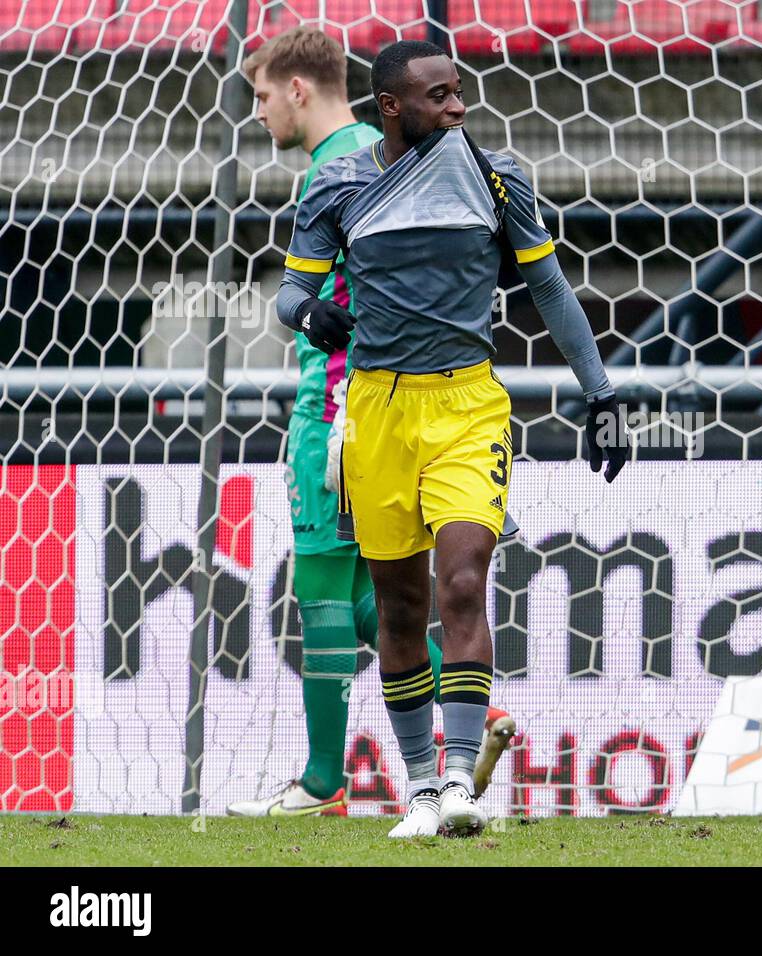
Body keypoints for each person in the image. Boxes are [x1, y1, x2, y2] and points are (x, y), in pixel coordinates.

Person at [275, 39, 627, 837]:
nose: (458, 106)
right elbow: (291, 292)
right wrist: (310, 313)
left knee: (463, 581)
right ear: (392, 107)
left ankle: (465, 784)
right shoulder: (337, 184)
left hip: (468, 403)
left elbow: (548, 287)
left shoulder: (496, 176)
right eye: (439, 96)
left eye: (458, 91)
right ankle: (425, 788)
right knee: (400, 609)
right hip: (377, 410)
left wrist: (600, 394)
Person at [228, 28, 517, 819]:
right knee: (377, 597)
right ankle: (465, 718)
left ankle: (325, 780)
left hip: (349, 410)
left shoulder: (350, 167)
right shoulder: (367, 151)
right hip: (374, 405)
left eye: (260, 96)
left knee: (325, 585)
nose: (257, 115)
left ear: (296, 89)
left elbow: (337, 299)